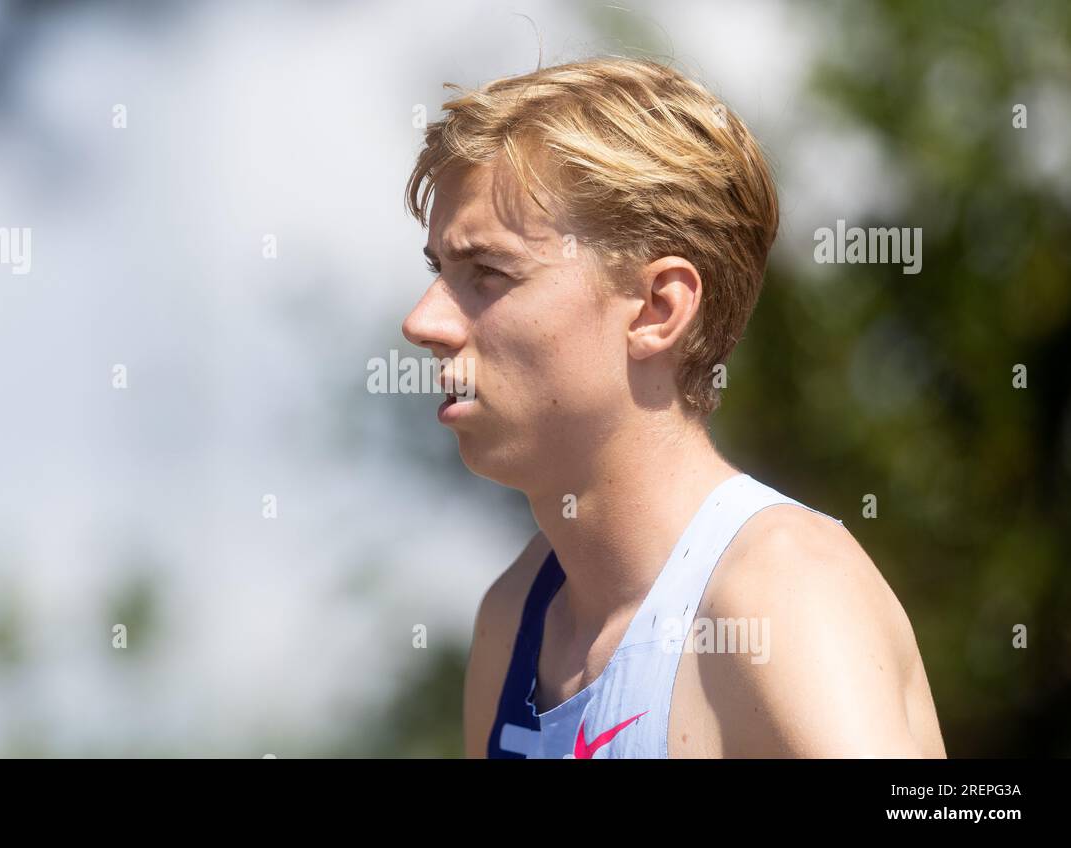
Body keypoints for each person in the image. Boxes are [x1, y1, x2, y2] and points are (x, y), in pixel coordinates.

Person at [400, 57, 947, 758]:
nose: (423, 322)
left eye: (487, 273)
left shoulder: (782, 589)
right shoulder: (512, 621)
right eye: (438, 272)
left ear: (659, 308)